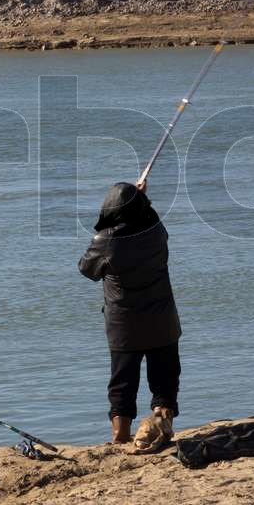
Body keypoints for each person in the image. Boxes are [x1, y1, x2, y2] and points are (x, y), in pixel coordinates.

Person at [78, 176, 182, 452]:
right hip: (162, 320)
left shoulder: (106, 241)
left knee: (123, 383)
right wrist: (142, 201)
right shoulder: (156, 230)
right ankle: (162, 424)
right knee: (164, 379)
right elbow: (150, 217)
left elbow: (86, 269)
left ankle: (120, 436)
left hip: (125, 326)